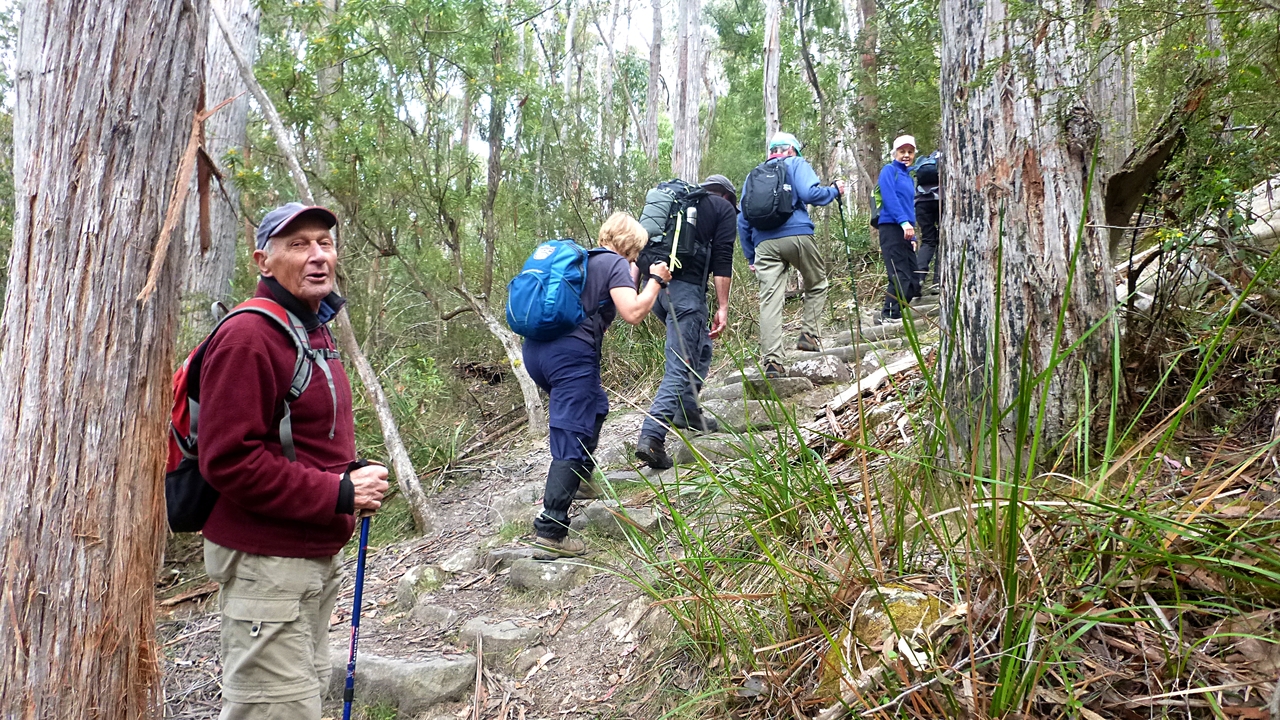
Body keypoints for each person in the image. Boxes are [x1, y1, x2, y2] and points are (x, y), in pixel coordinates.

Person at [198, 202, 390, 720]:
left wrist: (346, 475)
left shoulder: (310, 329)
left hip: (304, 560)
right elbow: (229, 460)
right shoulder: (249, 337)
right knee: (274, 711)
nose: (317, 256)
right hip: (267, 568)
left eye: (324, 243)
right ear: (264, 261)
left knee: (297, 704)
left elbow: (296, 439)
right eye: (298, 245)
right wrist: (338, 493)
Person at [522, 212, 672, 557]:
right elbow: (633, 313)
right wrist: (656, 281)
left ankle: (583, 481)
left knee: (596, 406)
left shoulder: (582, 263)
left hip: (536, 353)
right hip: (570, 354)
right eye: (635, 254)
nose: (634, 260)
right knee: (572, 430)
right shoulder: (614, 263)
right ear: (629, 247)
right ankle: (552, 530)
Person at [634, 174, 739, 470]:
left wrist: (637, 293)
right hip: (686, 294)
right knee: (681, 364)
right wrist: (722, 306)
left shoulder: (674, 206)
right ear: (728, 196)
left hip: (655, 290)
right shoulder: (723, 209)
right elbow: (722, 259)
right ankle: (652, 436)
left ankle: (688, 412)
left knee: (701, 349)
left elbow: (638, 251)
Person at [737, 132, 844, 378]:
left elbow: (742, 219)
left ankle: (773, 361)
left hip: (763, 243)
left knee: (770, 300)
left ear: (771, 152)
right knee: (816, 282)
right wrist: (834, 191)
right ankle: (808, 334)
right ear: (792, 150)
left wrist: (750, 255)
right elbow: (811, 194)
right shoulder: (795, 163)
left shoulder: (753, 175)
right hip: (797, 235)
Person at [876, 135, 920, 324]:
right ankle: (889, 314)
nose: (906, 155)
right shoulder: (889, 170)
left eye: (910, 152)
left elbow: (909, 205)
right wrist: (903, 223)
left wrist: (912, 235)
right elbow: (889, 197)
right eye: (902, 151)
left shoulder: (909, 178)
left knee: (914, 279)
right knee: (899, 273)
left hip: (906, 230)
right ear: (894, 153)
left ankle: (894, 311)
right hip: (891, 227)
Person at [912, 150, 941, 293]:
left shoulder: (922, 160)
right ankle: (938, 281)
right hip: (939, 200)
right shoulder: (943, 157)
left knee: (928, 240)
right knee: (944, 241)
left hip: (921, 203)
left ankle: (918, 278)